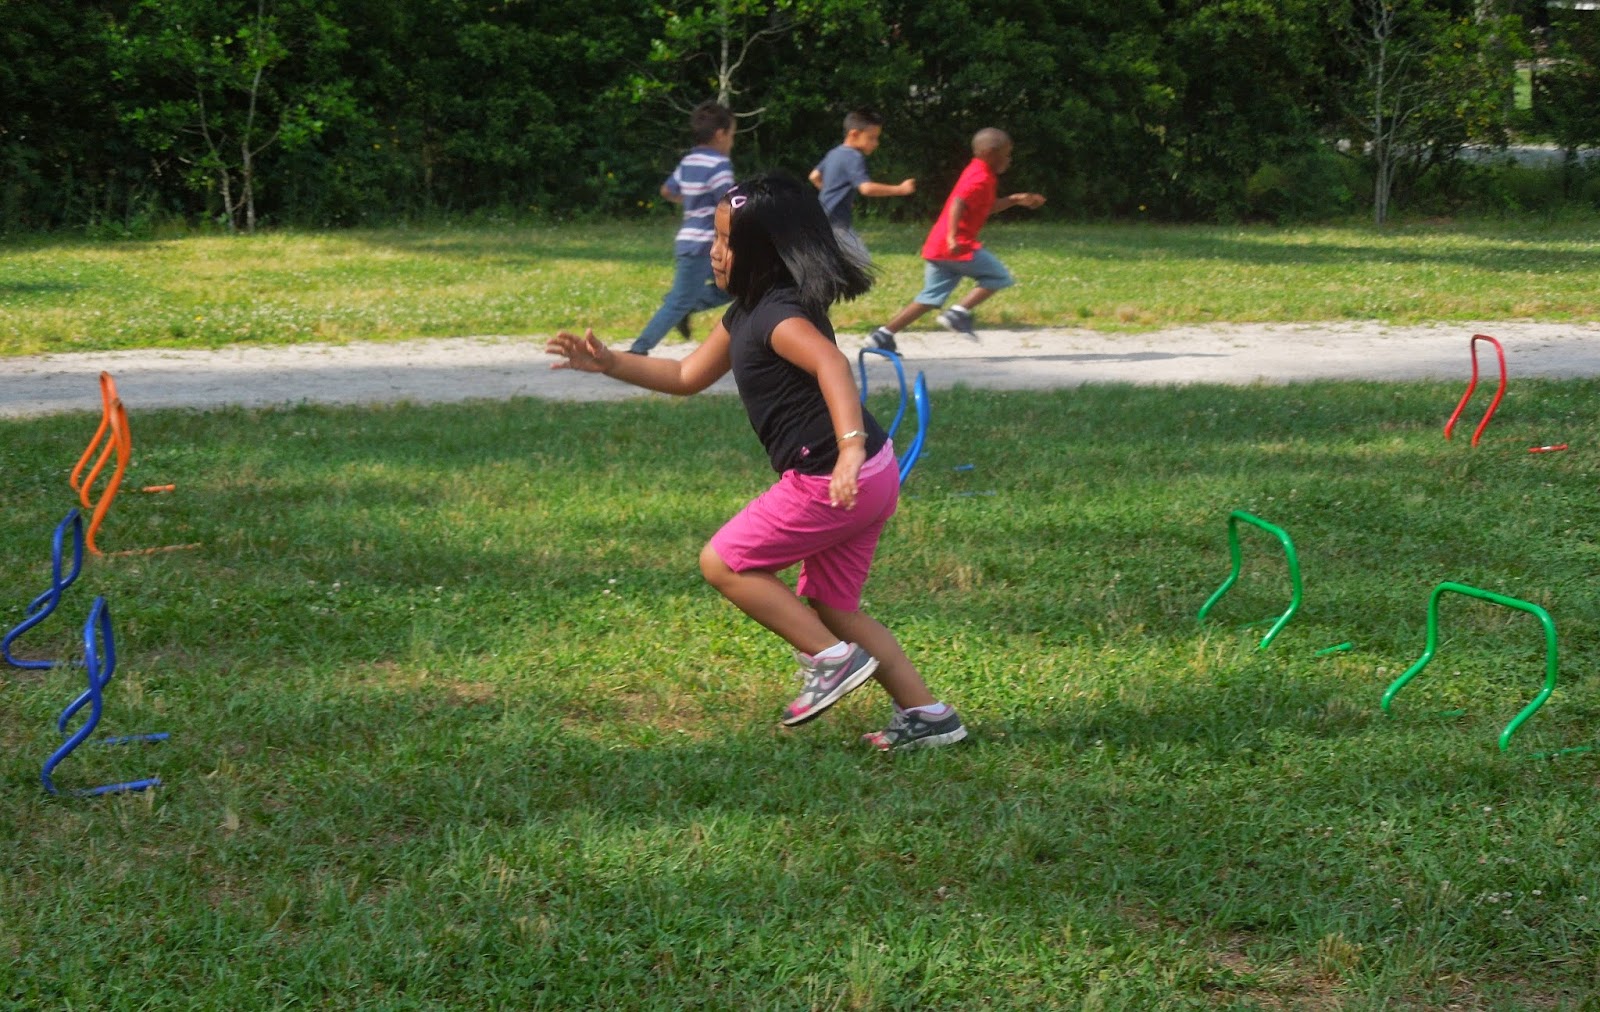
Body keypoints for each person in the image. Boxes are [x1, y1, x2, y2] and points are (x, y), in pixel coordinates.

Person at [546, 173, 966, 751]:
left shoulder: (779, 316)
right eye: (716, 237)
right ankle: (927, 714)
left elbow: (831, 365)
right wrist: (612, 363)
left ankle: (830, 661)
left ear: (769, 253)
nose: (714, 251)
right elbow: (686, 375)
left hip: (830, 475)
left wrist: (847, 449)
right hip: (870, 473)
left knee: (724, 561)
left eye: (729, 242)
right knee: (834, 607)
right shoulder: (748, 311)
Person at [865, 127, 1045, 353]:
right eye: (1006, 154)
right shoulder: (980, 177)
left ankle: (882, 335)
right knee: (998, 277)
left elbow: (985, 207)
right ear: (990, 153)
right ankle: (958, 313)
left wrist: (1014, 200)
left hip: (939, 247)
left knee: (929, 298)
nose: (1009, 159)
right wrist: (952, 237)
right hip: (956, 247)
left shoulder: (979, 171)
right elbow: (958, 202)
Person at [628, 101, 737, 356]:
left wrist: (691, 201)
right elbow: (729, 203)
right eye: (732, 135)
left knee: (735, 287)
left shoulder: (688, 161)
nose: (732, 142)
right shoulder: (719, 165)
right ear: (720, 134)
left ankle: (685, 305)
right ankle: (638, 349)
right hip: (705, 244)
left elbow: (667, 190)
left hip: (691, 241)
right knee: (681, 300)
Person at [808, 109, 916, 263]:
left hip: (820, 218)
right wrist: (900, 189)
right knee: (862, 262)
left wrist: (833, 195)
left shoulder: (834, 153)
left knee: (830, 264)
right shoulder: (853, 156)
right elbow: (866, 188)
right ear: (854, 134)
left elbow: (814, 176)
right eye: (871, 138)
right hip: (837, 224)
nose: (876, 143)